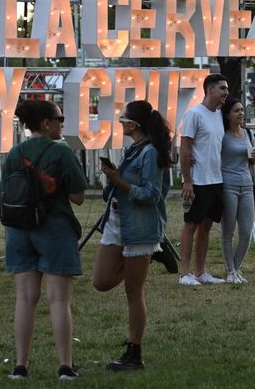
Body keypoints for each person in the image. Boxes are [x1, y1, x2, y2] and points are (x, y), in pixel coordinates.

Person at [2, 99, 86, 380]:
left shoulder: (14, 153)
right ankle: (64, 365)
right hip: (54, 227)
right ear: (46, 123)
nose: (62, 124)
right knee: (58, 300)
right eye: (59, 119)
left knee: (25, 299)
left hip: (18, 229)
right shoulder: (61, 153)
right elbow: (78, 196)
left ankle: (20, 366)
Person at [93, 100, 174, 371]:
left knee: (133, 292)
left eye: (124, 118)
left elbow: (151, 194)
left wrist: (120, 182)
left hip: (140, 226)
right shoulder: (134, 149)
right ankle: (151, 257)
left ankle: (134, 352)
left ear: (134, 124)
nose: (120, 122)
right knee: (101, 280)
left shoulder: (149, 153)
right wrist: (114, 180)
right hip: (117, 221)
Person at [178, 73, 229, 286]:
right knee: (191, 224)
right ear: (209, 89)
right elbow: (185, 147)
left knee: (206, 225)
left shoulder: (218, 115)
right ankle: (184, 274)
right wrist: (187, 180)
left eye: (226, 89)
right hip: (198, 181)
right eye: (222, 88)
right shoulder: (194, 115)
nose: (226, 93)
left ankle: (200, 272)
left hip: (216, 180)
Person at [220, 97, 255, 284]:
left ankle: (236, 268)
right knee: (228, 231)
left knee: (246, 231)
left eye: (242, 110)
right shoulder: (222, 136)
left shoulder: (248, 134)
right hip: (228, 185)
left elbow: (250, 162)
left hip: (247, 184)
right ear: (228, 115)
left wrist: (254, 158)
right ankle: (230, 271)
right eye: (236, 110)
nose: (241, 113)